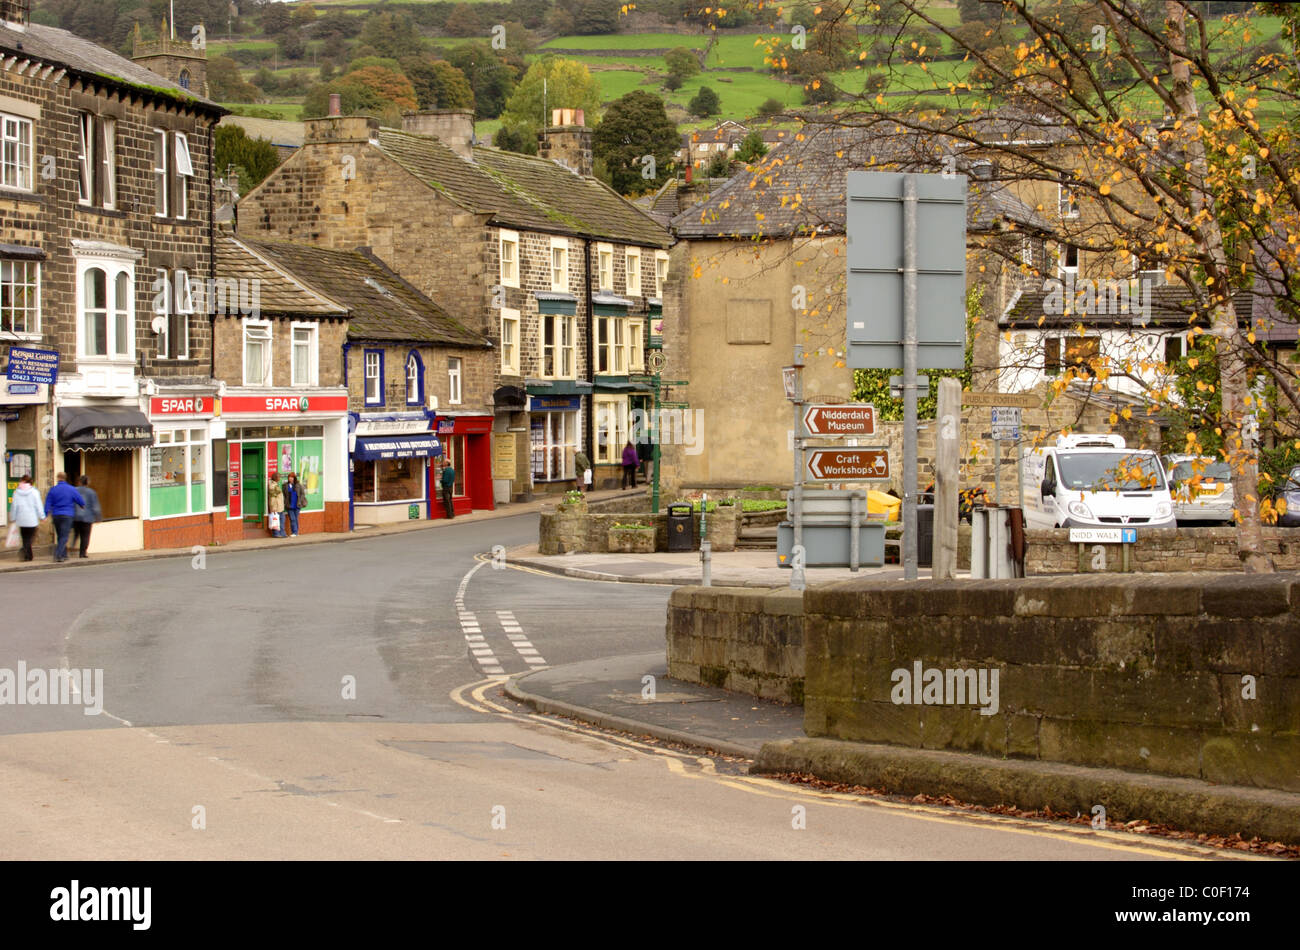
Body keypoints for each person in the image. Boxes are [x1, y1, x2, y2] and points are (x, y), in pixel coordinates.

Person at [45, 472, 85, 562]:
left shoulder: (53, 489)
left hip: (56, 515)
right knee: (64, 536)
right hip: (67, 515)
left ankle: (64, 554)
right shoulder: (71, 489)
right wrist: (82, 505)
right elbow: (79, 500)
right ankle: (58, 555)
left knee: (60, 535)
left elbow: (48, 502)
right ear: (65, 478)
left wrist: (46, 513)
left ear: (57, 478)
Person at [8, 474, 44, 562]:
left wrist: (12, 517)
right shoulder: (34, 492)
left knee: (25, 538)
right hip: (32, 520)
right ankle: (27, 554)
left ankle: (28, 555)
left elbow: (14, 506)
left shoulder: (16, 492)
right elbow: (38, 505)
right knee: (29, 538)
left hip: (21, 519)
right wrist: (42, 516)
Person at [73, 475, 102, 558]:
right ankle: (82, 553)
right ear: (87, 482)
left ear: (79, 482)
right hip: (87, 517)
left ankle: (72, 545)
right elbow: (95, 506)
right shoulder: (91, 492)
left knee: (76, 533)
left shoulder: (74, 490)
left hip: (76, 516)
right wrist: (98, 517)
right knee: (85, 536)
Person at [268, 473, 286, 537]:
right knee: (276, 520)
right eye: (279, 477)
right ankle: (276, 534)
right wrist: (273, 507)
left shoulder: (275, 485)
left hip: (280, 506)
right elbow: (272, 498)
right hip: (276, 507)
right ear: (276, 478)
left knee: (281, 520)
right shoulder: (272, 486)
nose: (280, 478)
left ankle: (282, 533)